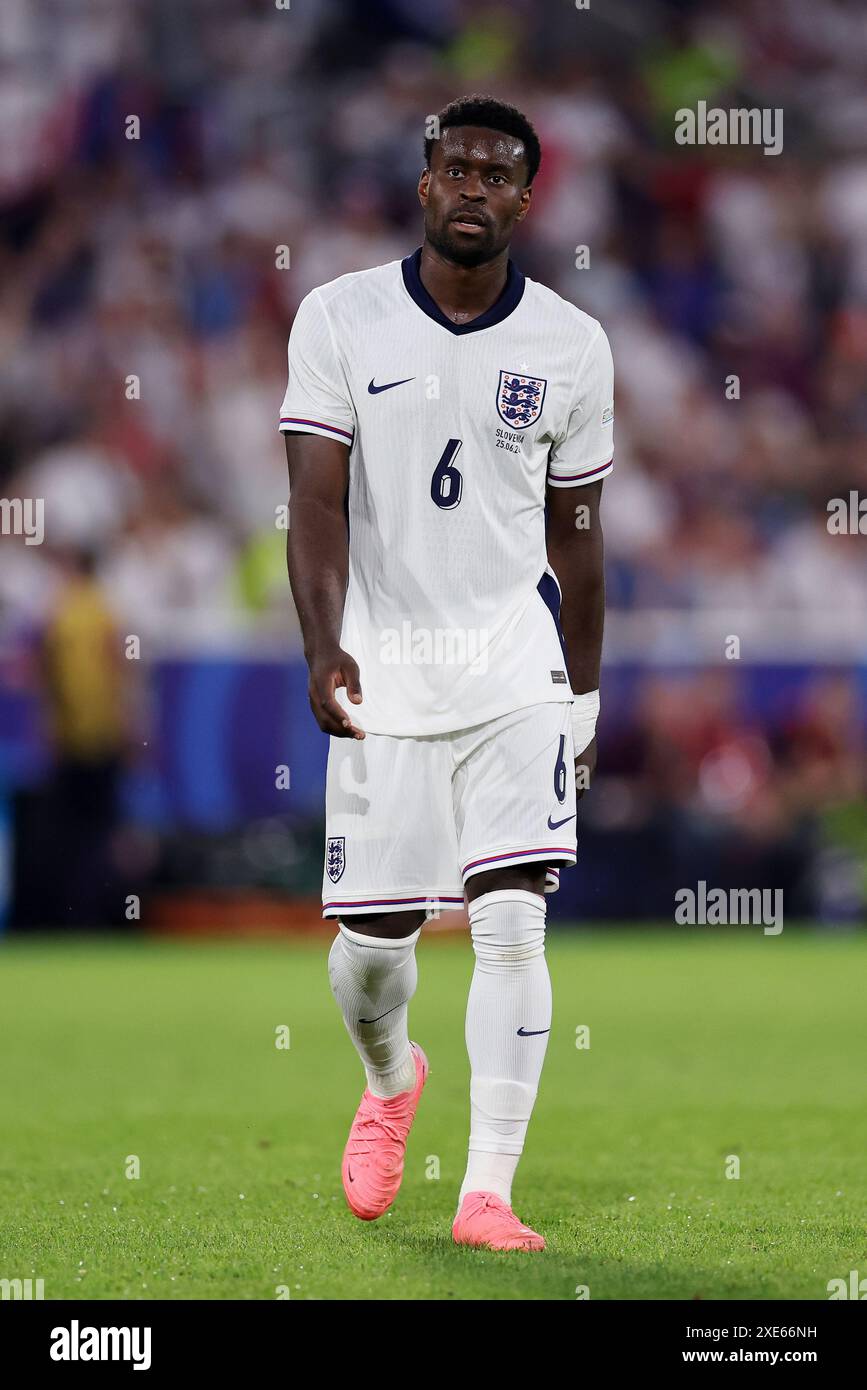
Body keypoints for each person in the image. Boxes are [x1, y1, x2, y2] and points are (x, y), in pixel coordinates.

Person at [281, 94, 612, 1252]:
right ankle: (389, 1079)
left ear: (528, 198)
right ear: (425, 185)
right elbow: (314, 505)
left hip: (514, 672)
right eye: (455, 167)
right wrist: (326, 648)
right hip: (388, 678)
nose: (474, 186)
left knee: (513, 925)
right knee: (368, 965)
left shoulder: (572, 344)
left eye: (498, 173)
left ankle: (488, 1191)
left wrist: (583, 689)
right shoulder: (340, 317)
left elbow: (579, 538)